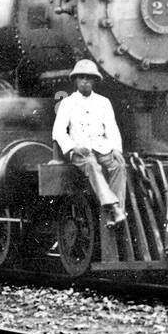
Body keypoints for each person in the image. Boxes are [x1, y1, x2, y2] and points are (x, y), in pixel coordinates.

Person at [52, 59, 128, 227]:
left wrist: (116, 148)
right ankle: (113, 208)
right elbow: (58, 131)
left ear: (94, 81)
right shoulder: (67, 103)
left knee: (119, 165)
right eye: (81, 77)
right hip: (81, 151)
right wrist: (72, 148)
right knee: (92, 165)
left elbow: (112, 128)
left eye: (88, 77)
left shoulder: (103, 102)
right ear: (76, 80)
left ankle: (117, 212)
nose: (85, 81)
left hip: (102, 148)